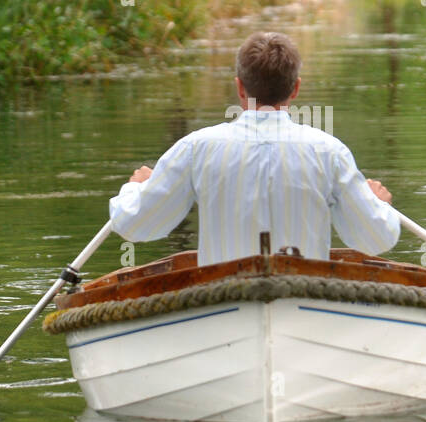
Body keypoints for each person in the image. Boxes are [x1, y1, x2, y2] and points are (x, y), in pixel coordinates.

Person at [109, 31, 399, 266]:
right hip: (305, 297)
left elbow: (134, 225)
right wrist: (376, 206)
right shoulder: (330, 152)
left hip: (219, 300)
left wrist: (136, 189)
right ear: (296, 88)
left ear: (239, 87)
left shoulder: (195, 148)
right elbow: (376, 240)